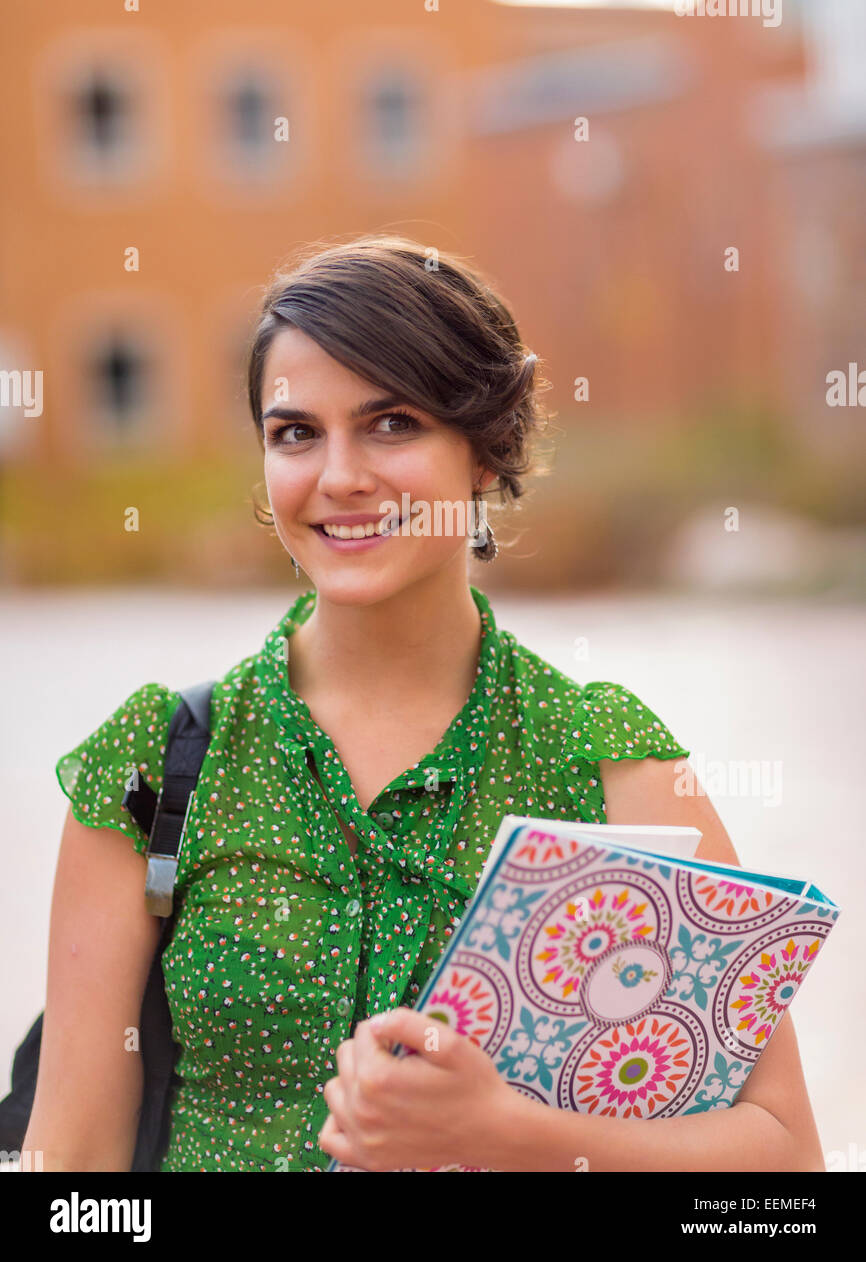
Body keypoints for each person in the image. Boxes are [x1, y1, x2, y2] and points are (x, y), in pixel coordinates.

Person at [23, 236, 825, 1172]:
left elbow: (786, 1171)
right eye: (296, 433)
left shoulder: (614, 764)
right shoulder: (156, 764)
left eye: (393, 423)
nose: (341, 477)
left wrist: (509, 1135)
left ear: (487, 453)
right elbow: (69, 1165)